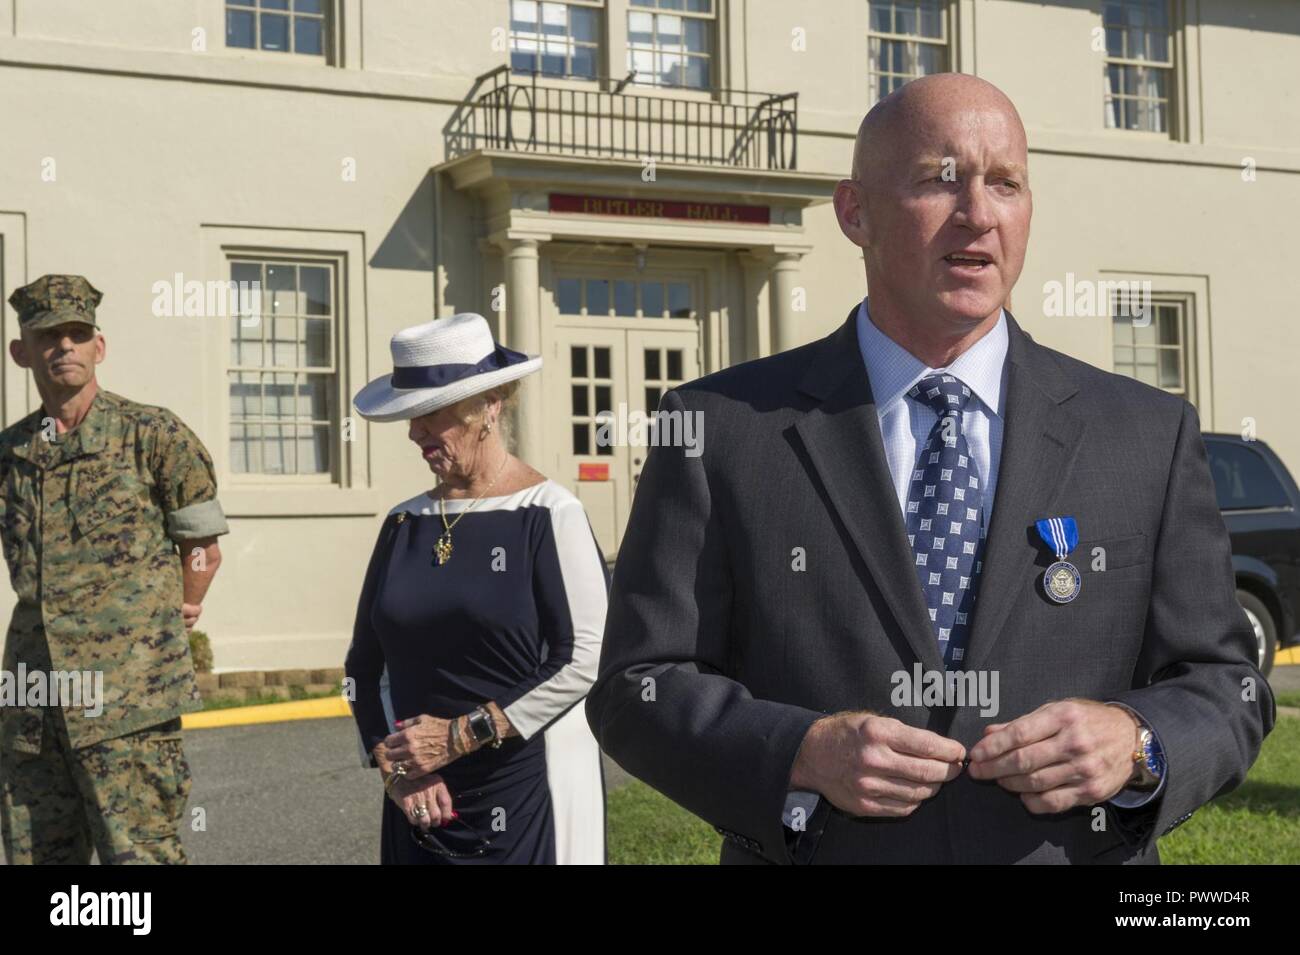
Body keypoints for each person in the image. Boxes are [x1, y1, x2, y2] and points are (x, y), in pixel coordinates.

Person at [585, 74, 1275, 864]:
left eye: (1005, 183)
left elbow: (1230, 684)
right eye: (939, 180)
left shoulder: (1145, 434)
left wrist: (1140, 741)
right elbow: (637, 686)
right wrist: (798, 751)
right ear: (856, 213)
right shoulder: (720, 428)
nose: (978, 213)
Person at [346, 312, 608, 865]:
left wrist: (460, 736)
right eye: (409, 416)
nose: (415, 432)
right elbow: (362, 670)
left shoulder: (548, 514)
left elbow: (584, 658)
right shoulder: (402, 524)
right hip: (420, 804)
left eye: (430, 413)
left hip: (527, 794)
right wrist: (398, 775)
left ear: (489, 405)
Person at [0, 274, 228, 864]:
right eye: (48, 336)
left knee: (140, 859)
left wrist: (187, 601)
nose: (65, 347)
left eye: (78, 334)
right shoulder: (9, 455)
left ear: (99, 347)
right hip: (34, 701)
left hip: (129, 700)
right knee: (37, 856)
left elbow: (202, 541)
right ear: (20, 351)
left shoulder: (152, 434)